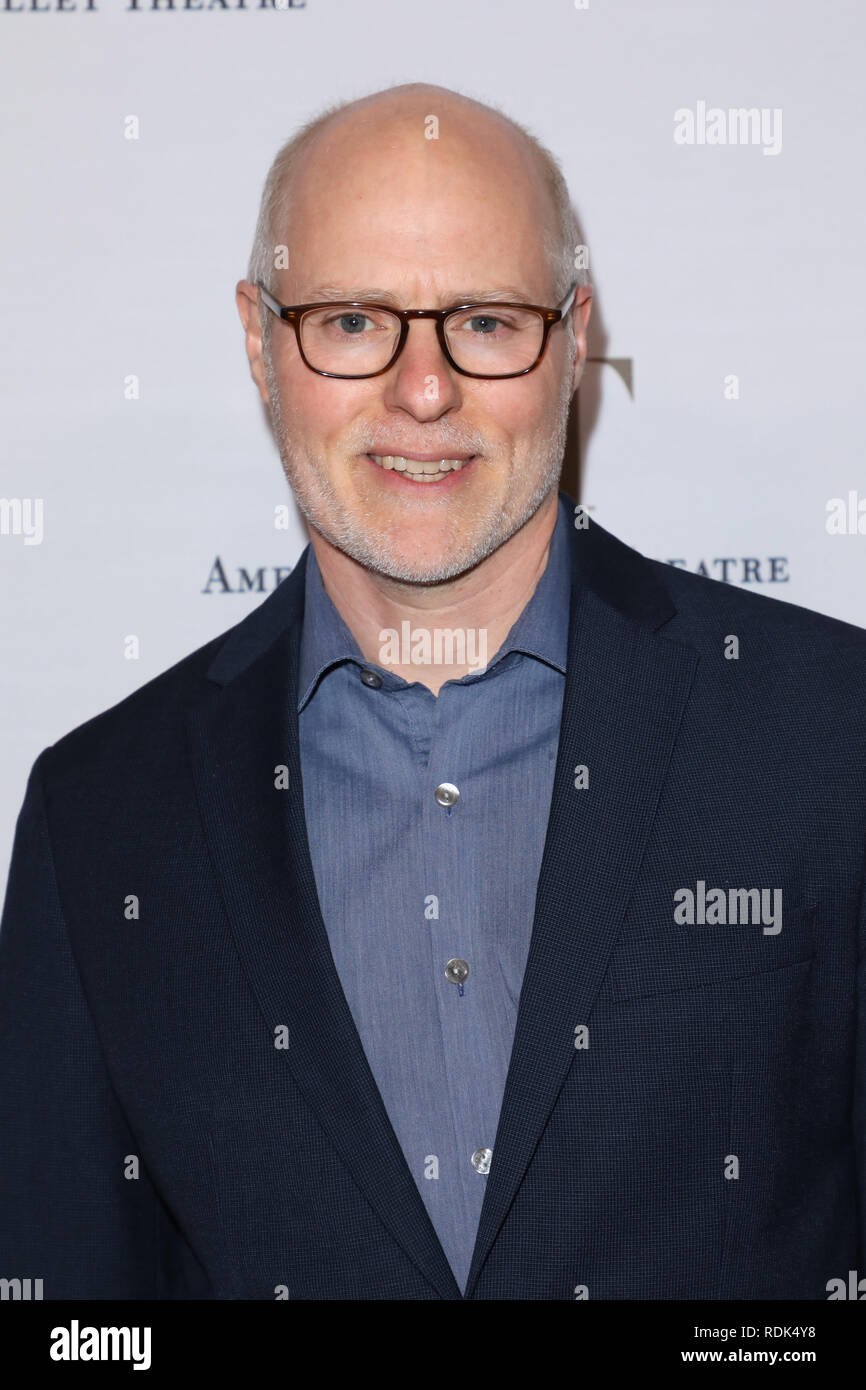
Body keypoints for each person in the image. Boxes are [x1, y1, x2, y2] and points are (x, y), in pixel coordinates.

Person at [1, 81, 864, 1302]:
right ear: (259, 341)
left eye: (485, 321)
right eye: (352, 322)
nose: (422, 391)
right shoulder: (98, 815)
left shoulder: (829, 731)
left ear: (570, 339)